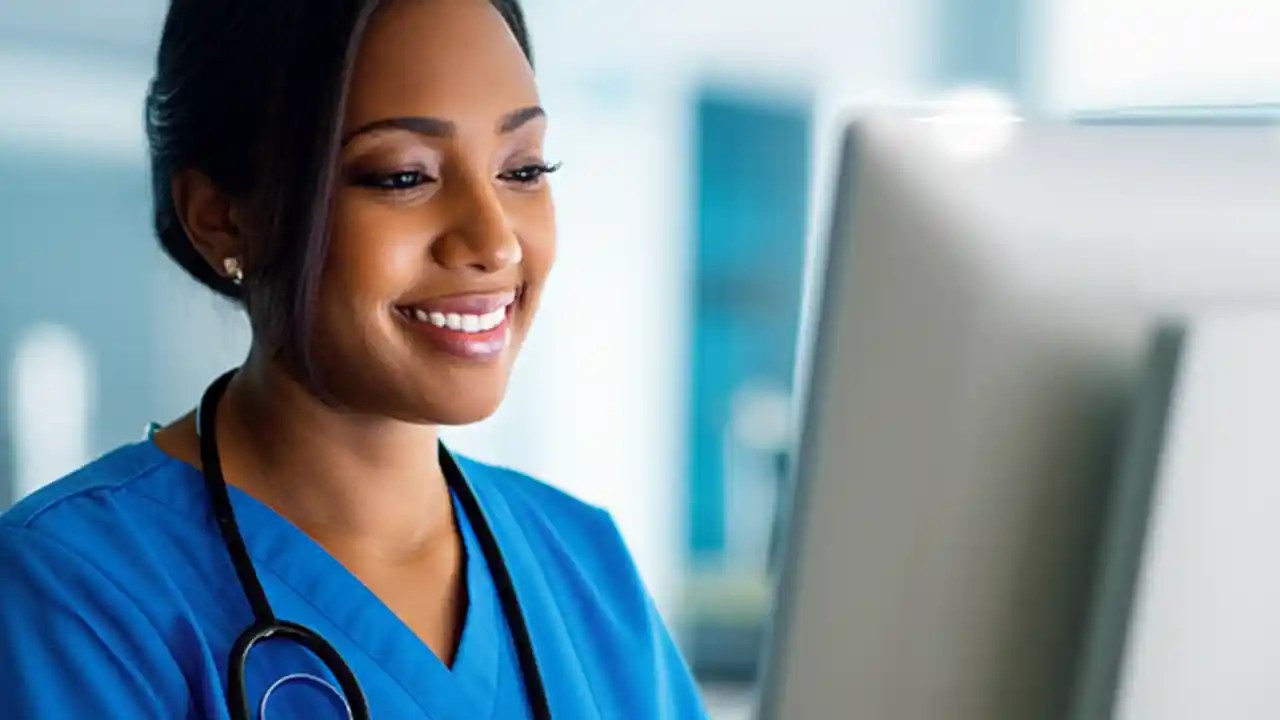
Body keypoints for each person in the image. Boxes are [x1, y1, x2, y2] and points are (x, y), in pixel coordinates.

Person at [0, 1, 708, 717]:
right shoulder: (76, 594)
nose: (494, 242)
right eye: (403, 176)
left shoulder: (584, 563)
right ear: (220, 216)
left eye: (524, 168)